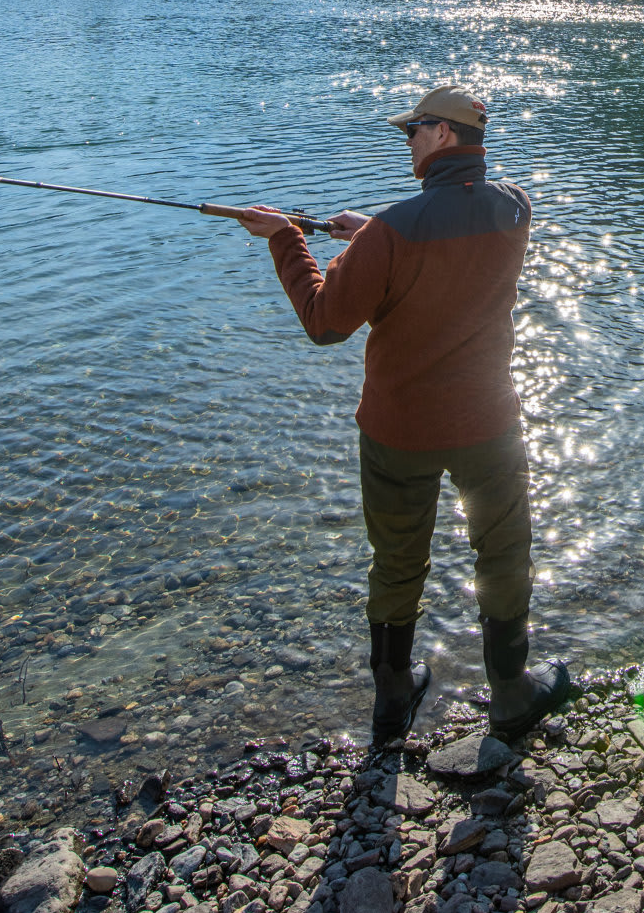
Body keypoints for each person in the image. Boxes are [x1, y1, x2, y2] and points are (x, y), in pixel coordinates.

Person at [231, 84, 575, 749]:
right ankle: (509, 692)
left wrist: (284, 238)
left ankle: (392, 702)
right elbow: (445, 251)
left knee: (396, 564)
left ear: (443, 134)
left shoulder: (393, 231)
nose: (407, 139)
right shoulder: (515, 210)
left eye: (412, 128)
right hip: (490, 423)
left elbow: (326, 321)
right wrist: (369, 236)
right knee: (503, 554)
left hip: (400, 430)